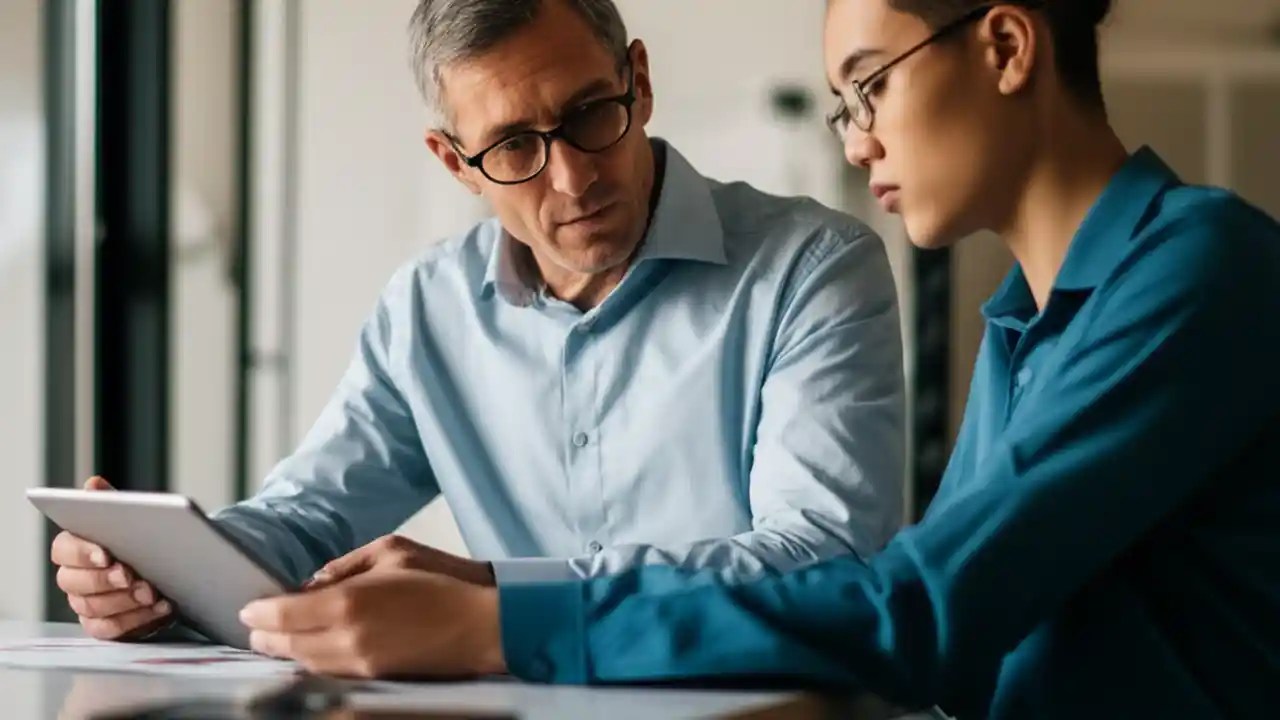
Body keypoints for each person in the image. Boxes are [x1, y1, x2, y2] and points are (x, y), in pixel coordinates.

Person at [235, 1, 1280, 717]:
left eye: (868, 86)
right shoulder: (1022, 323)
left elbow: (917, 611)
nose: (857, 140)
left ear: (1005, 46)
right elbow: (957, 646)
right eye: (844, 104)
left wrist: (498, 623)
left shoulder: (1199, 265)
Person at [50, 0, 906, 644]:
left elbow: (822, 562)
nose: (572, 179)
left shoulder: (813, 267)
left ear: (639, 83)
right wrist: (157, 574)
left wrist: (495, 594)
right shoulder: (429, 310)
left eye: (588, 116)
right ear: (454, 163)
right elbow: (303, 520)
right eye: (514, 148)